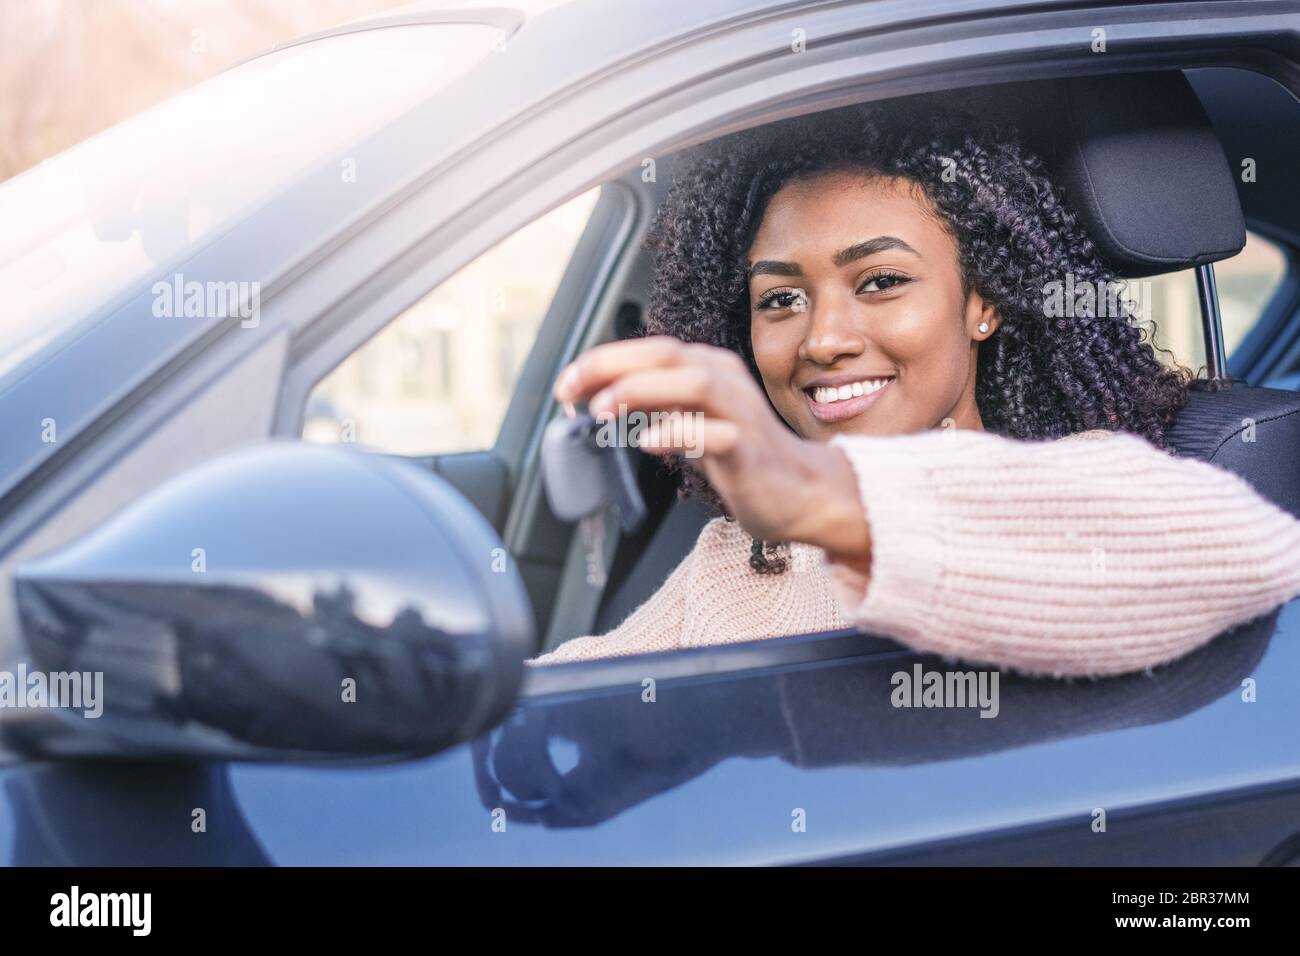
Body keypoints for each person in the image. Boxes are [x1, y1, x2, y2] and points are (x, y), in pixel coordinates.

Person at [529, 100, 1300, 676]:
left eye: (882, 281)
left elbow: (1246, 547)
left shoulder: (1083, 481)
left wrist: (821, 496)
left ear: (982, 302)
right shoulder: (746, 558)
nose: (823, 339)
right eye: (780, 299)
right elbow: (580, 694)